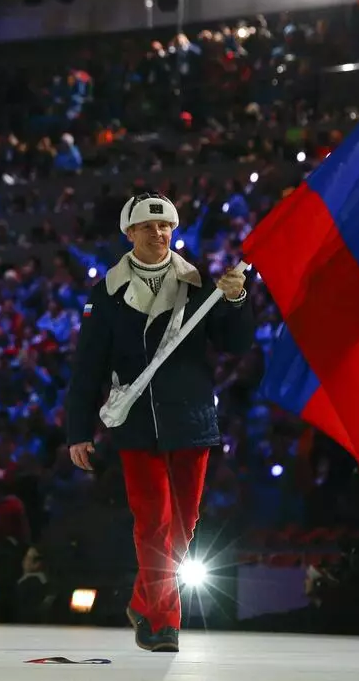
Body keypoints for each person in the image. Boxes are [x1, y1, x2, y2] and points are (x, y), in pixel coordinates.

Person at [66, 192, 252, 652]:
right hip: (137, 425)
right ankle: (163, 623)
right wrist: (77, 431)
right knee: (153, 521)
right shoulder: (106, 293)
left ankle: (142, 602)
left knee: (184, 525)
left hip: (191, 419)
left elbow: (235, 344)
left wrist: (235, 299)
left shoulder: (198, 281)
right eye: (148, 227)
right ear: (129, 233)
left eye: (165, 225)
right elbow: (87, 367)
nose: (159, 233)